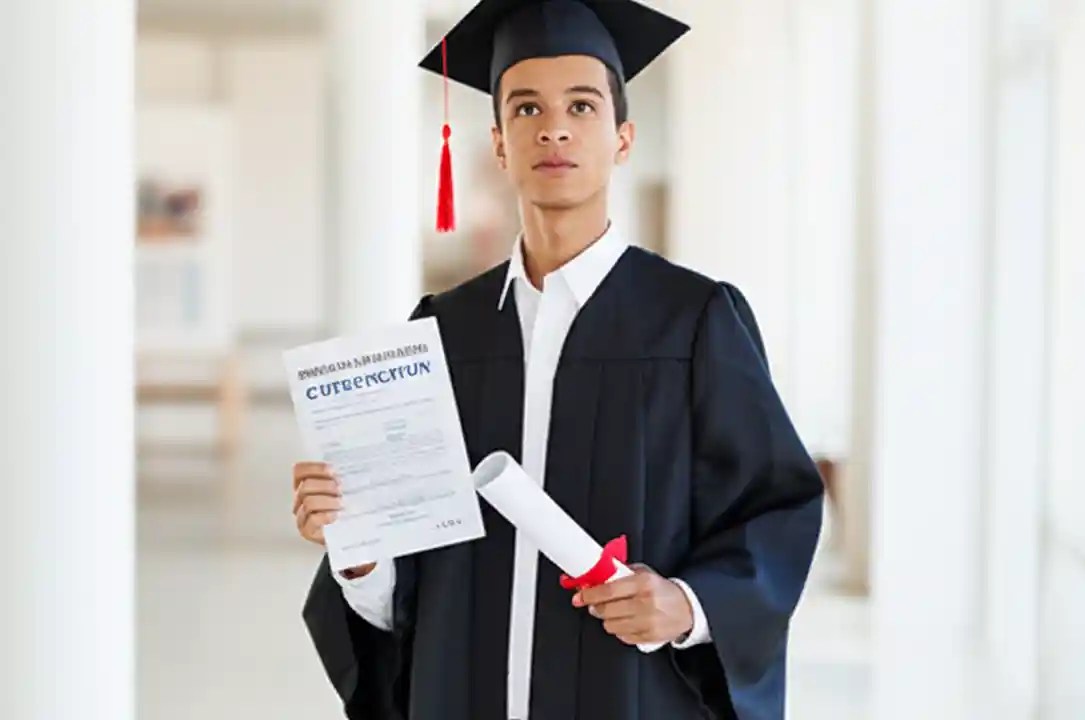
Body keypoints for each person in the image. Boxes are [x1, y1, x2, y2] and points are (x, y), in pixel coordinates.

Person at [291, 1, 824, 718]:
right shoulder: (443, 332)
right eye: (526, 108)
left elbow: (775, 510)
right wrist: (357, 545)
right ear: (499, 144)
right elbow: (405, 582)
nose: (554, 128)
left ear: (622, 138)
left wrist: (687, 604)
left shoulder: (695, 322)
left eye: (581, 104)